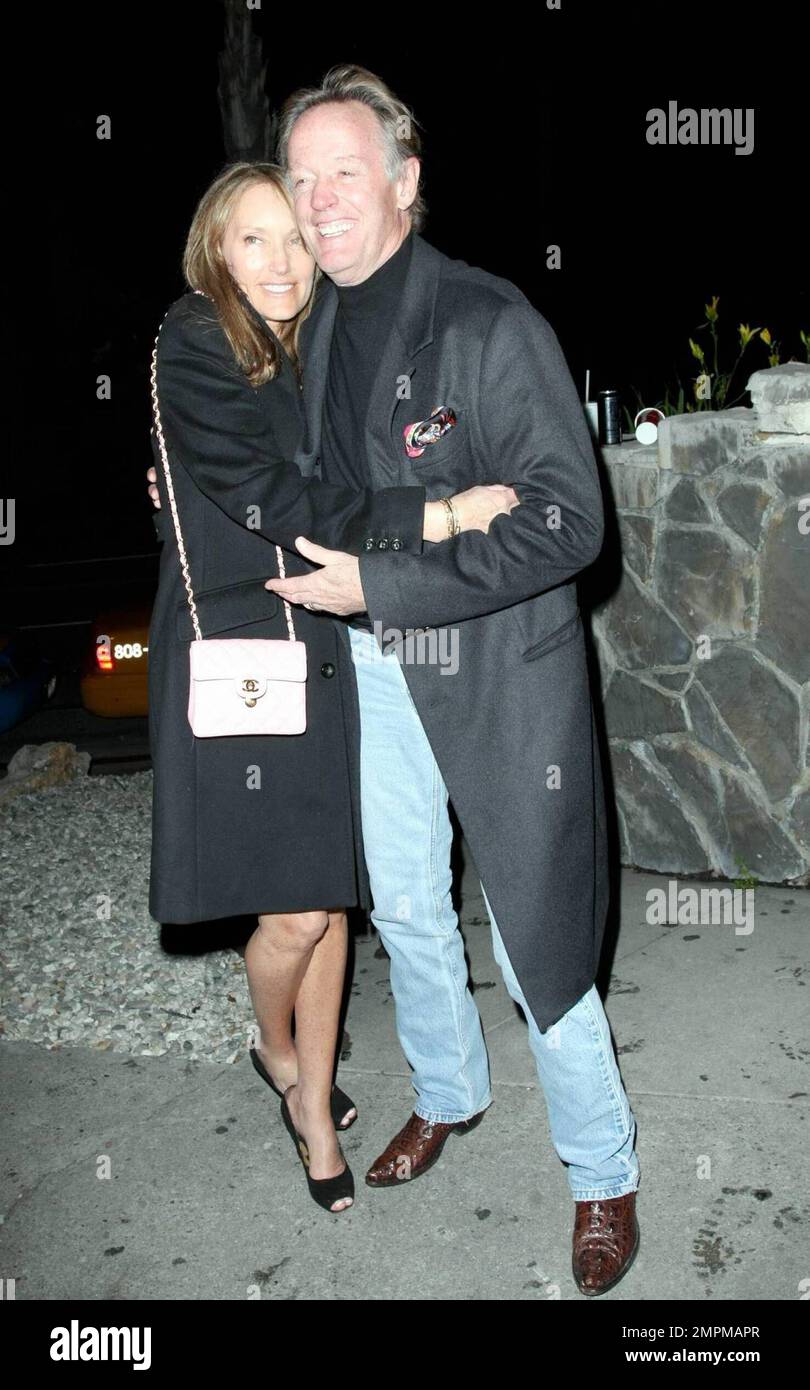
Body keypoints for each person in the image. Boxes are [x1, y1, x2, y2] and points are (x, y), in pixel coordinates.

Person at [261, 65, 642, 1296]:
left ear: (404, 184)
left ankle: (601, 1172)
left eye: (343, 172)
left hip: (495, 672)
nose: (318, 199)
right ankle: (449, 1092)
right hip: (374, 673)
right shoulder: (304, 331)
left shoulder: (489, 321)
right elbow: (306, 494)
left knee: (535, 925)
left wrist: (392, 582)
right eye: (302, 176)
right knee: (409, 906)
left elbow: (572, 523)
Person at [146, 160, 518, 1214]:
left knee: (326, 892)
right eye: (251, 238)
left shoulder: (305, 353)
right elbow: (281, 495)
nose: (279, 260)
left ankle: (311, 1088)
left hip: (326, 637)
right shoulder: (195, 336)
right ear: (214, 251)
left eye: (295, 240)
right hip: (245, 651)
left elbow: (354, 458)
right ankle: (280, 1060)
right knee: (299, 912)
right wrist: (440, 518)